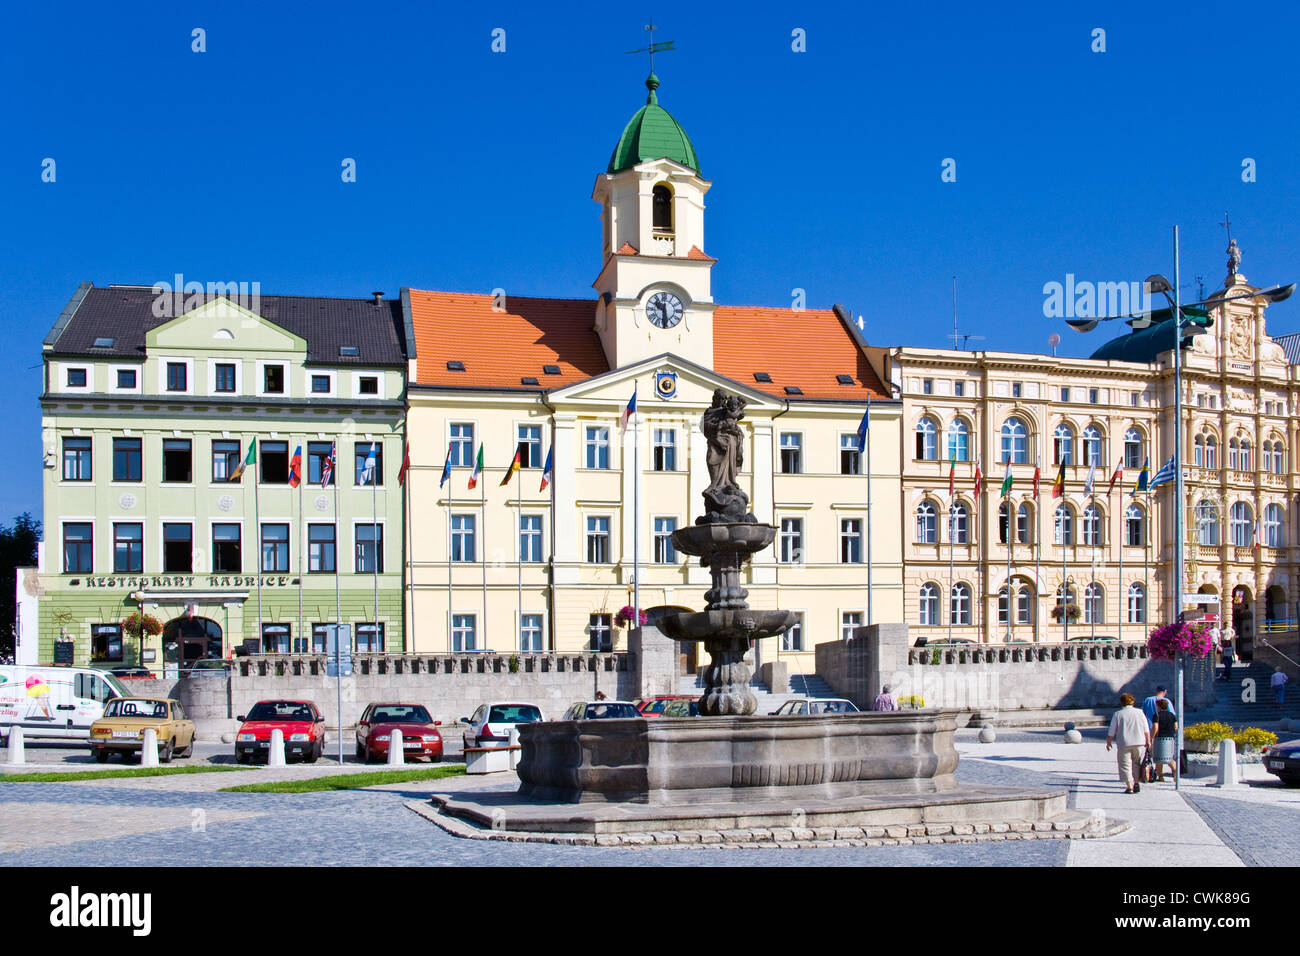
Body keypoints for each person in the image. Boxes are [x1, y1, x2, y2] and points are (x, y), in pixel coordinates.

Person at [1106, 692, 1152, 794]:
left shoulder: (1118, 714)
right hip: (1139, 741)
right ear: (1132, 701)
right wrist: (1148, 740)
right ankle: (1136, 782)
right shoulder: (1140, 712)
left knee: (1125, 765)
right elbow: (1146, 728)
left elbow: (1112, 730)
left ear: (1121, 702)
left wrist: (1109, 742)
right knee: (1137, 763)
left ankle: (1129, 786)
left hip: (1124, 743)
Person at [1151, 698, 1178, 782]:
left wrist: (1151, 737)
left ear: (1159, 706)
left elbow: (1155, 727)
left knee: (1159, 758)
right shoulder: (1172, 715)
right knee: (1170, 758)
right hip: (1170, 738)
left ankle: (1161, 777)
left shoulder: (1157, 715)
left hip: (1160, 738)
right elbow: (1176, 727)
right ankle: (1175, 775)